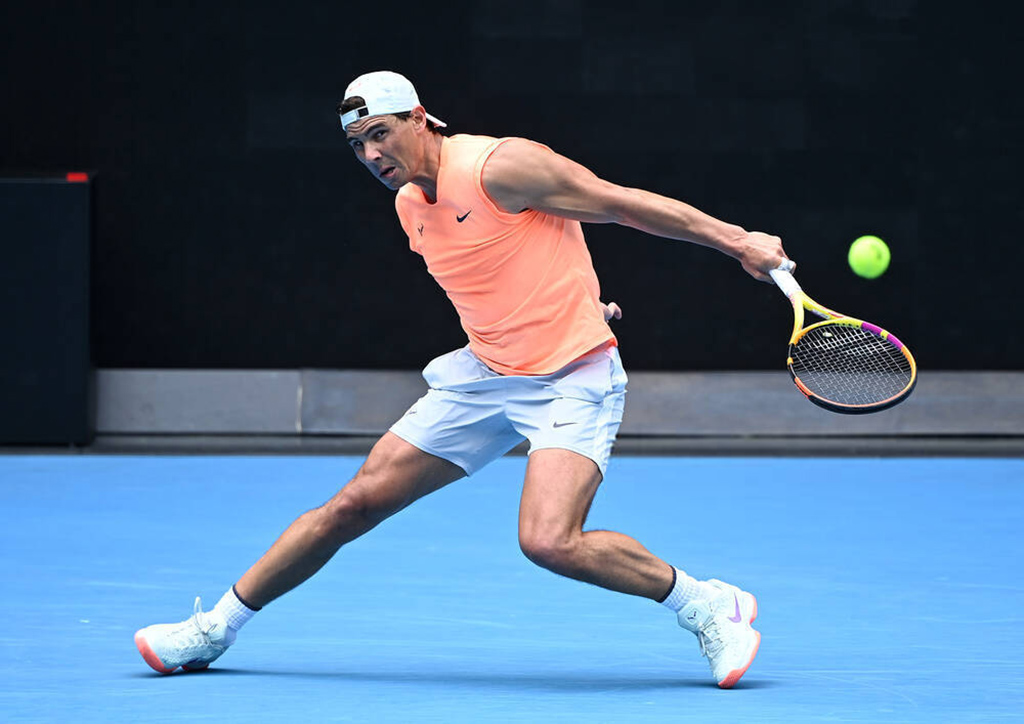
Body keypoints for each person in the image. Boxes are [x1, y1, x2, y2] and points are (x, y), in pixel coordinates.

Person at [135, 70, 789, 688]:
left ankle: (706, 604)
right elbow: (503, 275)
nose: (370, 153)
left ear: (420, 118)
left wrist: (738, 242)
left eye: (381, 133)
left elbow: (617, 205)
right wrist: (573, 294)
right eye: (356, 144)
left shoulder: (500, 166)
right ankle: (214, 629)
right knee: (352, 505)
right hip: (485, 376)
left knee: (548, 541)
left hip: (571, 377)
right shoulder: (408, 208)